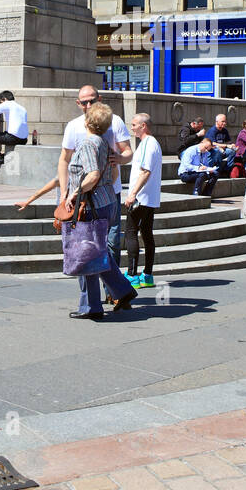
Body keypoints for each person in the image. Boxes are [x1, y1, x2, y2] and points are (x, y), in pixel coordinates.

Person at [64, 101, 138, 320]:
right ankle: (123, 290)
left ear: (87, 121)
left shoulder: (88, 144)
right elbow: (113, 174)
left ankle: (91, 306)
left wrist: (74, 192)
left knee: (86, 254)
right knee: (98, 251)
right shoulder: (106, 143)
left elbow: (93, 174)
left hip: (91, 204)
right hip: (107, 200)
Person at [58, 85, 132, 269]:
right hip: (83, 197)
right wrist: (63, 192)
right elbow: (64, 159)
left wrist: (121, 158)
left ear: (100, 99)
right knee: (85, 244)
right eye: (84, 102)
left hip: (108, 193)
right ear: (78, 103)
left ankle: (111, 292)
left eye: (93, 100)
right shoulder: (74, 126)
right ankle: (103, 289)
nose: (89, 104)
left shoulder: (114, 121)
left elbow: (128, 152)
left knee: (112, 241)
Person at [124, 112, 163, 288]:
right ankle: (147, 274)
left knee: (131, 233)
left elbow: (145, 171)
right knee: (147, 234)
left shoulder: (148, 143)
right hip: (150, 198)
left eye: (134, 125)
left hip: (141, 198)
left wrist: (133, 194)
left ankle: (132, 274)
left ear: (143, 126)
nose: (132, 128)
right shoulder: (150, 144)